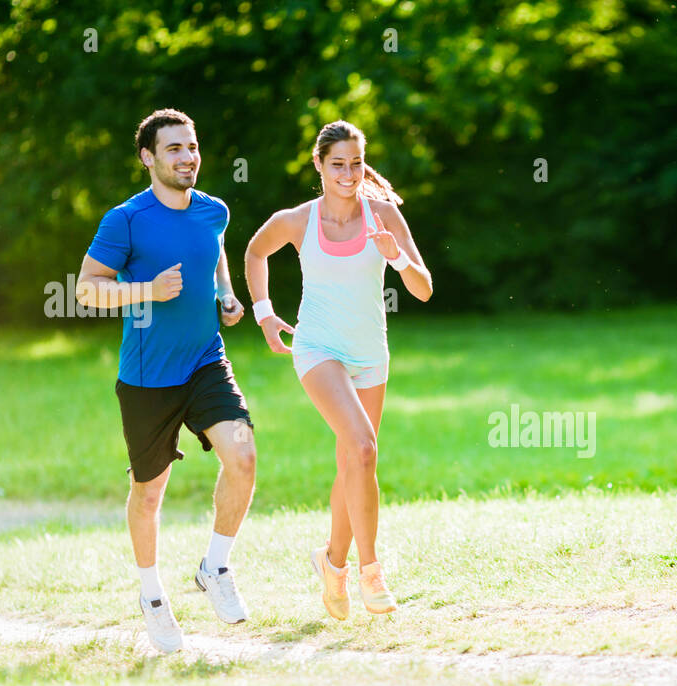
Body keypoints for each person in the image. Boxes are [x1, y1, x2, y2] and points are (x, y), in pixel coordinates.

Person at [75, 108, 255, 653]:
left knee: (242, 455)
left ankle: (215, 567)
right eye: (174, 149)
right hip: (148, 379)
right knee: (148, 494)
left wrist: (225, 293)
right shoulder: (125, 220)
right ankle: (152, 595)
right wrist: (146, 290)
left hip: (205, 359)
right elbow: (86, 289)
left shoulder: (213, 211)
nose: (187, 158)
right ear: (148, 157)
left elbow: (216, 251)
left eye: (192, 147)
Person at [244, 119, 432, 619]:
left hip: (371, 352)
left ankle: (331, 564)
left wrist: (398, 261)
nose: (348, 174)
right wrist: (264, 314)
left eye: (355, 163)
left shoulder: (385, 217)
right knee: (364, 445)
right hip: (318, 347)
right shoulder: (298, 220)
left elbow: (424, 288)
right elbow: (254, 251)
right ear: (319, 165)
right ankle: (370, 573)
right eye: (337, 164)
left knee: (354, 459)